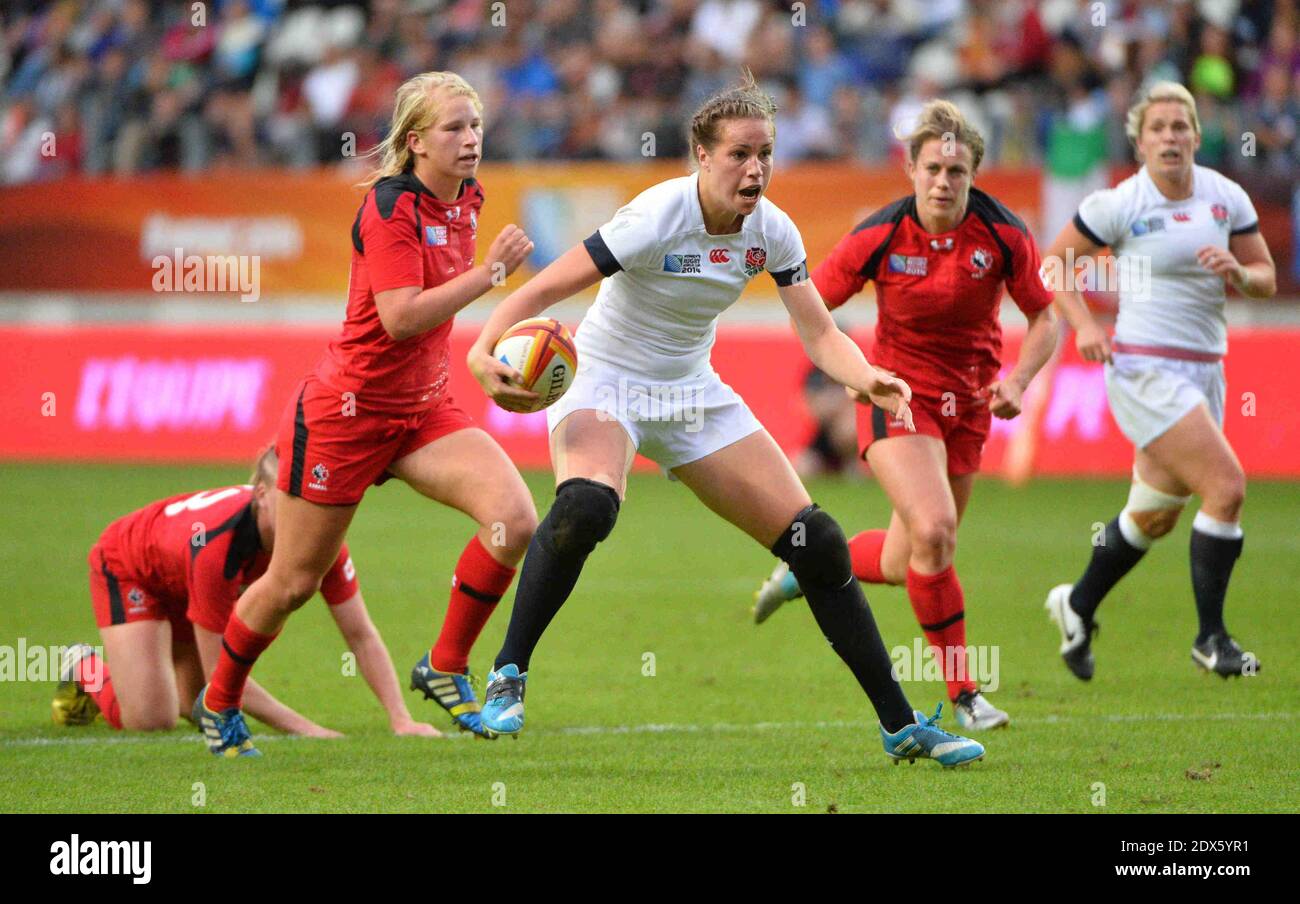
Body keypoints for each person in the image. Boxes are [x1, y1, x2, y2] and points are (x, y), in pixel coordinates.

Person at [465, 75, 987, 768]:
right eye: (740, 154)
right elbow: (540, 289)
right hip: (605, 379)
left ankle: (901, 726)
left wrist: (867, 378)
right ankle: (508, 673)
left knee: (819, 541)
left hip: (689, 392)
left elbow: (820, 333)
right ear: (701, 157)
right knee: (587, 506)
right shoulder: (654, 216)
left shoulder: (772, 229)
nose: (756, 169)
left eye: (765, 153)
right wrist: (480, 350)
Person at [192, 72, 538, 757]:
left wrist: (483, 355)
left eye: (475, 126)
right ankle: (218, 702)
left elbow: (432, 325)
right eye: (454, 129)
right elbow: (401, 316)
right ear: (415, 142)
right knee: (290, 584)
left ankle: (443, 664)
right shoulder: (389, 207)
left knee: (516, 519)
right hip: (345, 417)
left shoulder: (469, 198)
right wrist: (489, 276)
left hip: (420, 411)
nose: (470, 140)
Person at [751, 100, 1059, 731]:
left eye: (957, 170)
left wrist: (1020, 380)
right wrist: (851, 375)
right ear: (911, 170)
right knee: (938, 529)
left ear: (974, 174)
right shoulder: (881, 234)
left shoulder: (1004, 234)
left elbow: (1044, 318)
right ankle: (966, 694)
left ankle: (804, 571)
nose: (944, 182)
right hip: (899, 400)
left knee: (907, 558)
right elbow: (810, 300)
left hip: (970, 408)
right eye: (933, 168)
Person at [1043, 81, 1275, 680]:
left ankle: (1077, 604)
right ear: (1140, 142)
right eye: (1158, 129)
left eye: (1180, 126)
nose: (1170, 137)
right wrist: (1084, 326)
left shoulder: (1226, 197)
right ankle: (1211, 638)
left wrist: (1240, 276)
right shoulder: (1120, 203)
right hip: (1144, 368)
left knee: (1153, 515)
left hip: (1206, 371)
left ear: (1197, 135)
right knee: (1226, 486)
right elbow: (1054, 263)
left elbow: (1265, 275)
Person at [54, 446, 437, 738]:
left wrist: (400, 717)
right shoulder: (216, 546)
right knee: (152, 720)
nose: (298, 516)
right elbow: (220, 673)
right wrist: (307, 730)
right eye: (285, 502)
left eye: (305, 502)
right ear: (260, 494)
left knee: (194, 703)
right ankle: (83, 666)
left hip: (184, 580)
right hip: (130, 567)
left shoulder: (320, 540)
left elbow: (361, 635)